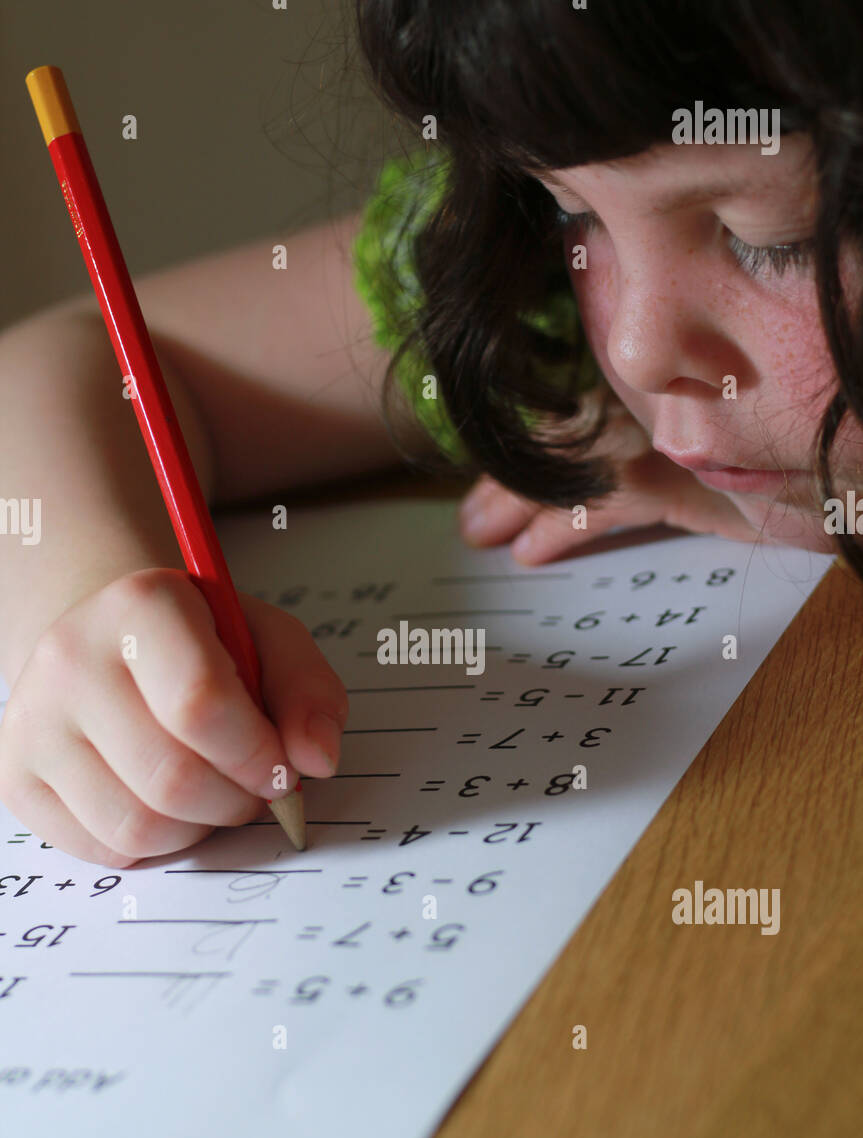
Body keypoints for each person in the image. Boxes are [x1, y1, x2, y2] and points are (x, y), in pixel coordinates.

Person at [0, 0, 859, 866]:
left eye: (766, 238)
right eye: (570, 213)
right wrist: (97, 608)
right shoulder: (522, 282)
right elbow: (57, 370)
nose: (635, 351)